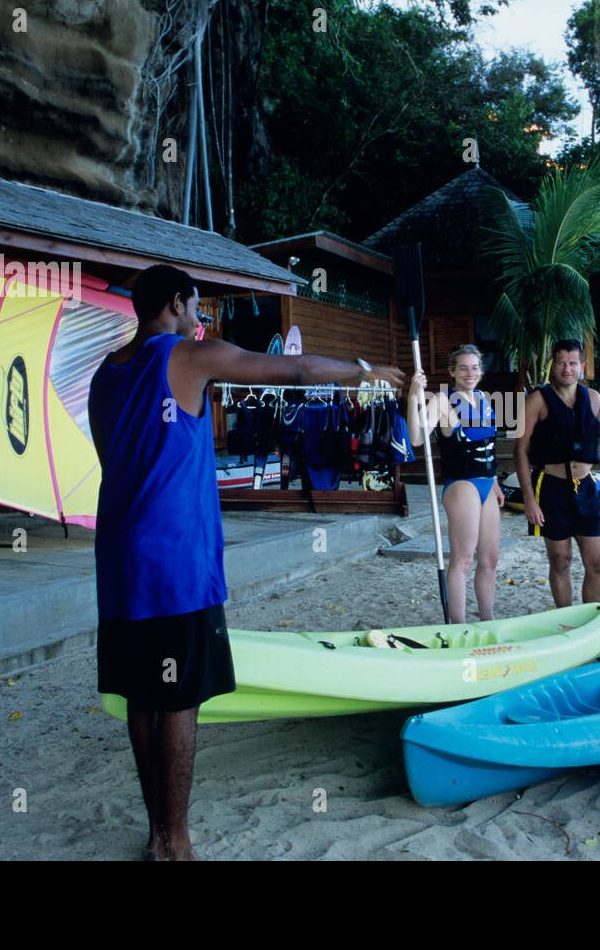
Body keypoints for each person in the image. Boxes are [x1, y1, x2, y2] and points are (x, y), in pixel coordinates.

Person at [87, 264, 402, 860]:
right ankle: (176, 844)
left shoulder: (106, 373)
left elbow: (117, 462)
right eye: (196, 306)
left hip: (122, 559)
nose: (199, 318)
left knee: (142, 697)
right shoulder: (186, 356)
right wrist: (366, 371)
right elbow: (297, 370)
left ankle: (156, 832)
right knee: (178, 699)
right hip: (175, 563)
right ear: (177, 303)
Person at [514, 339, 600, 608]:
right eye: (562, 363)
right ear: (553, 365)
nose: (567, 369)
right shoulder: (538, 400)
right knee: (560, 560)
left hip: (586, 487)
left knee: (597, 562)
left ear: (582, 366)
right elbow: (520, 451)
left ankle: (589, 617)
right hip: (551, 487)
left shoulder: (593, 398)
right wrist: (529, 499)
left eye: (573, 363)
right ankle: (564, 619)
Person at [406, 345, 503, 625]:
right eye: (463, 367)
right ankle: (457, 626)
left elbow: (488, 446)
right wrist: (414, 395)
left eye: (475, 367)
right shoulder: (441, 399)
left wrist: (495, 481)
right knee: (463, 560)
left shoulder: (484, 398)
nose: (470, 373)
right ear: (452, 371)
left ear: (481, 370)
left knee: (490, 560)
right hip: (463, 485)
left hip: (487, 484)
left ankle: (488, 619)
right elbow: (416, 438)